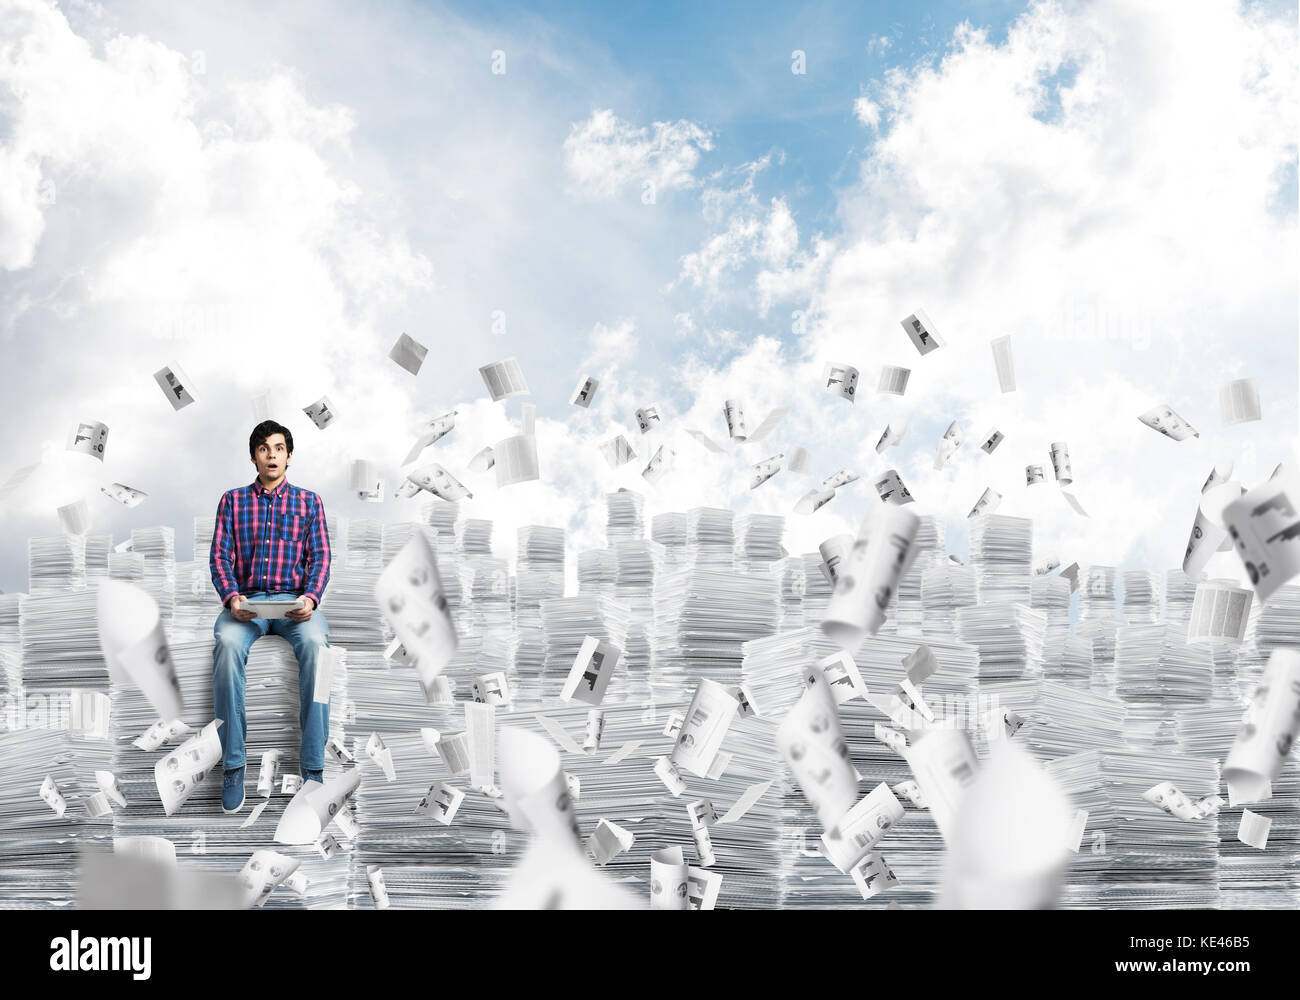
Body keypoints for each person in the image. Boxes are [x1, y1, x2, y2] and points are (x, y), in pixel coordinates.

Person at [209, 420, 332, 813]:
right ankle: (233, 765)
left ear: (289, 456)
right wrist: (231, 598)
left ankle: (313, 769)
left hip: (297, 603)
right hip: (246, 603)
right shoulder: (232, 501)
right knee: (227, 645)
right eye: (264, 448)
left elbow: (321, 557)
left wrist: (311, 598)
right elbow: (219, 556)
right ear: (254, 456)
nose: (272, 455)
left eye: (279, 448)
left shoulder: (309, 502)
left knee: (319, 650)